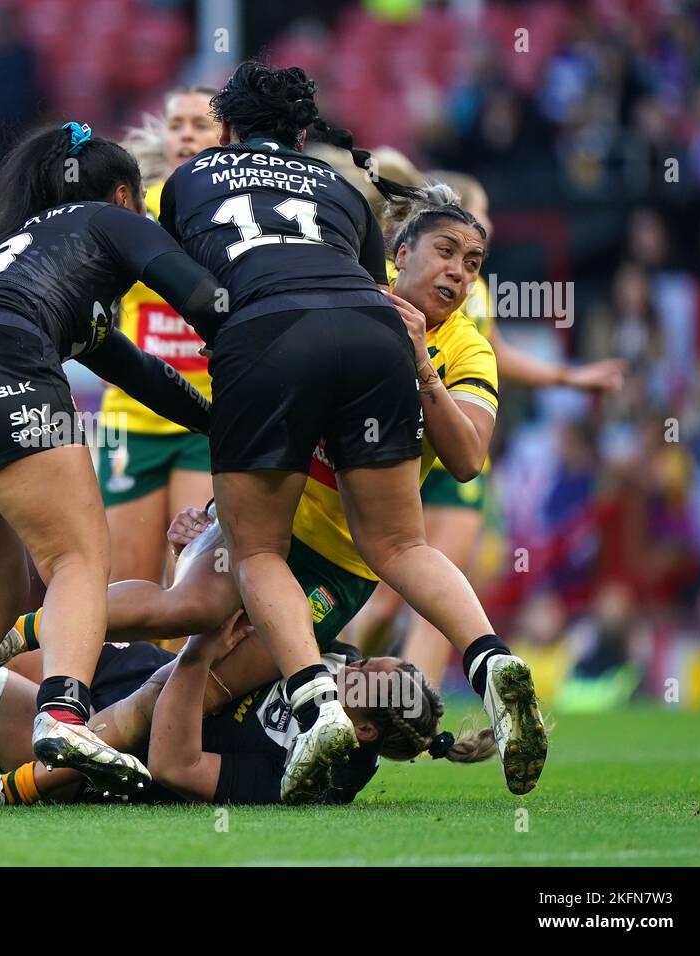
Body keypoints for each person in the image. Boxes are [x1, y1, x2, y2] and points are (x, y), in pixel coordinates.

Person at [158, 61, 544, 801]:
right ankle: (488, 657)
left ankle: (312, 701)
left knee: (236, 573)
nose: (461, 274)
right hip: (355, 420)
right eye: (448, 254)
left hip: (309, 505)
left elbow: (191, 280)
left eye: (473, 263)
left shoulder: (464, 344)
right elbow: (346, 294)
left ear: (228, 127)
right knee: (402, 545)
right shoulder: (342, 198)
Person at [0, 122, 225, 811]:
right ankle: (62, 719)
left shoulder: (28, 250)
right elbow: (202, 297)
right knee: (79, 562)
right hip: (3, 366)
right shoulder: (112, 220)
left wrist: (218, 422)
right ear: (125, 193)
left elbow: (141, 372)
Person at [0, 614, 492, 808]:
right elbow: (215, 638)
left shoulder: (318, 773)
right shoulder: (324, 665)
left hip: (108, 742)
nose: (349, 667)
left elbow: (176, 765)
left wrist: (192, 656)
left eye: (367, 679)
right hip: (132, 677)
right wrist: (193, 572)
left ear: (362, 732)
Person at [347, 170, 626, 685]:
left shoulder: (471, 299)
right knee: (383, 596)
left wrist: (565, 377)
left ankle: (414, 709)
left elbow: (491, 357)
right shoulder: (378, 280)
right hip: (387, 450)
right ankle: (356, 681)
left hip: (450, 441)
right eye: (476, 215)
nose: (483, 232)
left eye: (472, 257)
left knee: (436, 594)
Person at [101, 87, 221, 589]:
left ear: (226, 135)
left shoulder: (237, 214)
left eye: (199, 124)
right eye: (176, 124)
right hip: (132, 418)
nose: (186, 134)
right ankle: (127, 671)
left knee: (189, 576)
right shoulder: (131, 209)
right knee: (126, 580)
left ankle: (178, 672)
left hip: (207, 418)